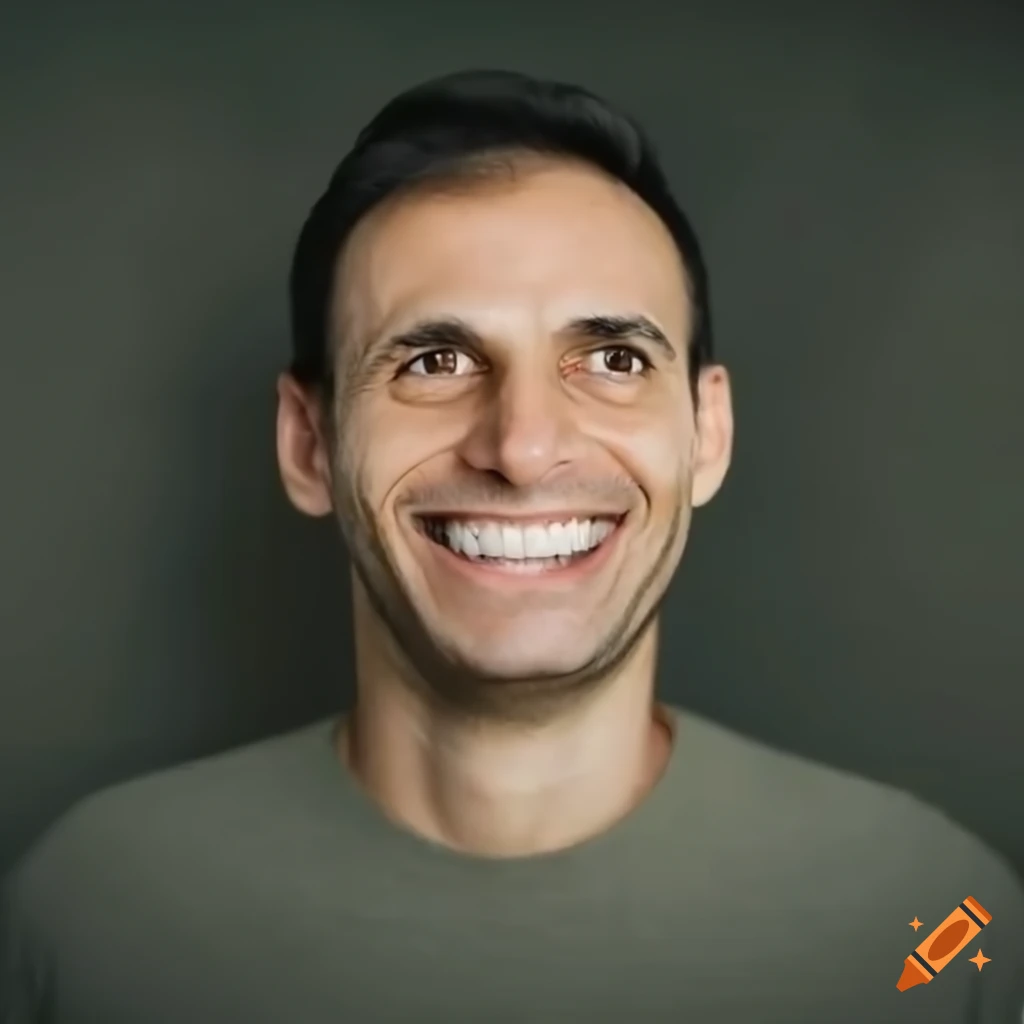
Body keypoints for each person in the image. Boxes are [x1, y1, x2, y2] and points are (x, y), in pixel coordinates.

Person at [1, 69, 1022, 1024]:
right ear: (309, 444)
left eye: (612, 358)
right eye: (437, 360)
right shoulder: (89, 917)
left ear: (706, 436)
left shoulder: (935, 923)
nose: (524, 447)